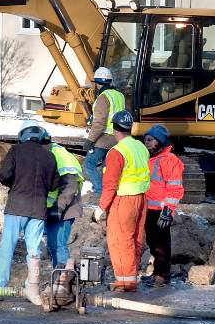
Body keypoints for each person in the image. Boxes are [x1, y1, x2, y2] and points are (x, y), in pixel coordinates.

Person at [0, 122, 59, 305]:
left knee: (7, 246)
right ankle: (33, 287)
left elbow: (4, 175)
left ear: (23, 136)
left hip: (16, 207)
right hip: (38, 209)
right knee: (34, 250)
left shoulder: (15, 151)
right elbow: (54, 184)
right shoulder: (50, 156)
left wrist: (16, 183)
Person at [95, 110, 151, 292]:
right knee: (135, 239)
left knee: (120, 241)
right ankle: (131, 278)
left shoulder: (117, 152)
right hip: (142, 200)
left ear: (114, 129)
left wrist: (101, 207)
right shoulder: (141, 147)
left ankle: (125, 283)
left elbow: (110, 184)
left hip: (124, 200)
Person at [143, 124, 184, 287]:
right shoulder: (151, 159)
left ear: (159, 141)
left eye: (150, 140)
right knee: (153, 243)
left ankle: (162, 275)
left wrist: (167, 212)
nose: (146, 142)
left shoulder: (170, 161)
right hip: (148, 209)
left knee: (161, 245)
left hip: (160, 210)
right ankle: (158, 272)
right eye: (145, 139)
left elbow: (175, 189)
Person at [44, 135, 84, 276]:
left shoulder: (59, 154)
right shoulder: (48, 152)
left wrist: (58, 207)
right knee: (52, 245)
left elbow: (70, 185)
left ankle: (63, 282)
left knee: (58, 244)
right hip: (53, 208)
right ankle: (59, 278)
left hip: (65, 208)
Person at [84, 67, 126, 196]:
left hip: (104, 139)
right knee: (105, 167)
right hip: (118, 138)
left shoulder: (103, 97)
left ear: (97, 83)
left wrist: (90, 140)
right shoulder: (119, 95)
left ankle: (99, 191)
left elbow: (99, 123)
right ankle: (108, 190)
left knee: (89, 164)